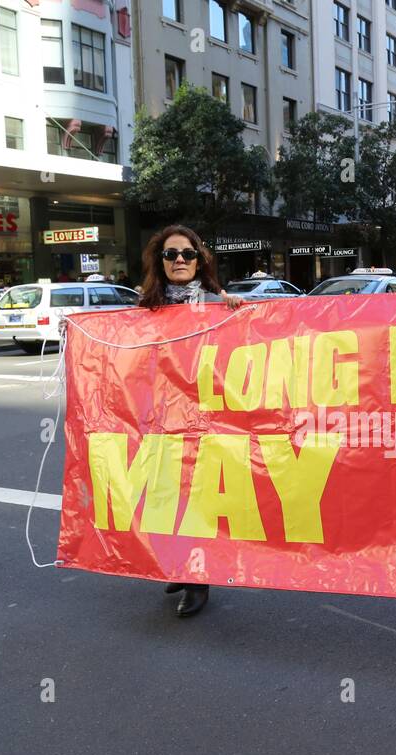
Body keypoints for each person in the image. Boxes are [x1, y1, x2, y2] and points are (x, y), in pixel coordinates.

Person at [135, 224, 245, 618]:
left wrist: (236, 312)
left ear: (199, 261)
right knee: (164, 496)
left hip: (203, 418)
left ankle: (198, 580)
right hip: (160, 416)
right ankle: (178, 566)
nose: (179, 260)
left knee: (196, 497)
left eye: (186, 254)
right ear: (159, 262)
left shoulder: (219, 304)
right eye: (170, 254)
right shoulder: (145, 306)